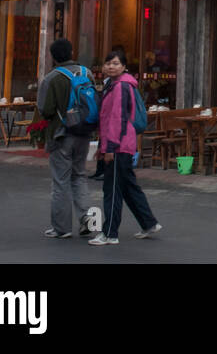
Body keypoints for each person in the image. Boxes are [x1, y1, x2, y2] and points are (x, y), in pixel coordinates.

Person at [91, 49, 161, 246]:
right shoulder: (114, 85)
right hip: (122, 143)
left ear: (123, 66)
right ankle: (149, 223)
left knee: (112, 190)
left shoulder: (121, 86)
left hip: (119, 145)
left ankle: (110, 233)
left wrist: (110, 148)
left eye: (115, 63)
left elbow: (117, 119)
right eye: (108, 63)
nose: (111, 66)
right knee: (128, 186)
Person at [37, 39, 95, 239]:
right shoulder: (87, 73)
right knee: (79, 176)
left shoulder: (52, 78)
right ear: (72, 51)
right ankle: (87, 220)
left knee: (61, 181)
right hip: (84, 133)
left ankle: (62, 228)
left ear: (52, 57)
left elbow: (45, 110)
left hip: (61, 134)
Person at [89, 61, 112, 182]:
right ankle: (100, 171)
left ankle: (105, 172)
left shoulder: (114, 84)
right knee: (101, 145)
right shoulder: (106, 83)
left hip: (110, 121)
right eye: (106, 65)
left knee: (106, 146)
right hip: (103, 119)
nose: (108, 68)